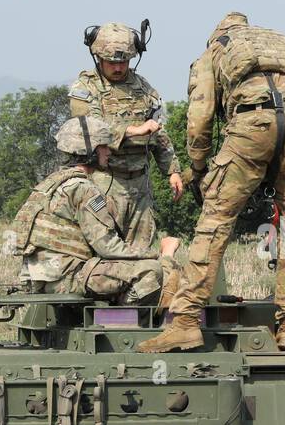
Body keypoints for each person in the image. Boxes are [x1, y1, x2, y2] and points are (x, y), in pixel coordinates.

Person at [138, 12, 285, 353]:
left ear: (218, 32)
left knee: (214, 224)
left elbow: (199, 120)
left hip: (248, 127)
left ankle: (184, 323)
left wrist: (199, 170)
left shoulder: (215, 51)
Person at [9, 116, 177, 303]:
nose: (109, 152)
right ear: (89, 151)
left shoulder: (53, 183)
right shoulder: (83, 189)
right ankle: (123, 325)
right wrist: (162, 254)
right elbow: (108, 247)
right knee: (150, 271)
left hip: (44, 277)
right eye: (103, 147)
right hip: (67, 277)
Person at [69, 21, 182, 253]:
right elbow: (90, 129)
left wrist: (173, 171)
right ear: (98, 57)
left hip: (140, 185)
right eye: (112, 62)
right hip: (103, 181)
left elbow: (160, 131)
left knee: (141, 254)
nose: (119, 68)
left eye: (124, 62)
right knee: (103, 249)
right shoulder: (85, 88)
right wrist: (135, 130)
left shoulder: (143, 87)